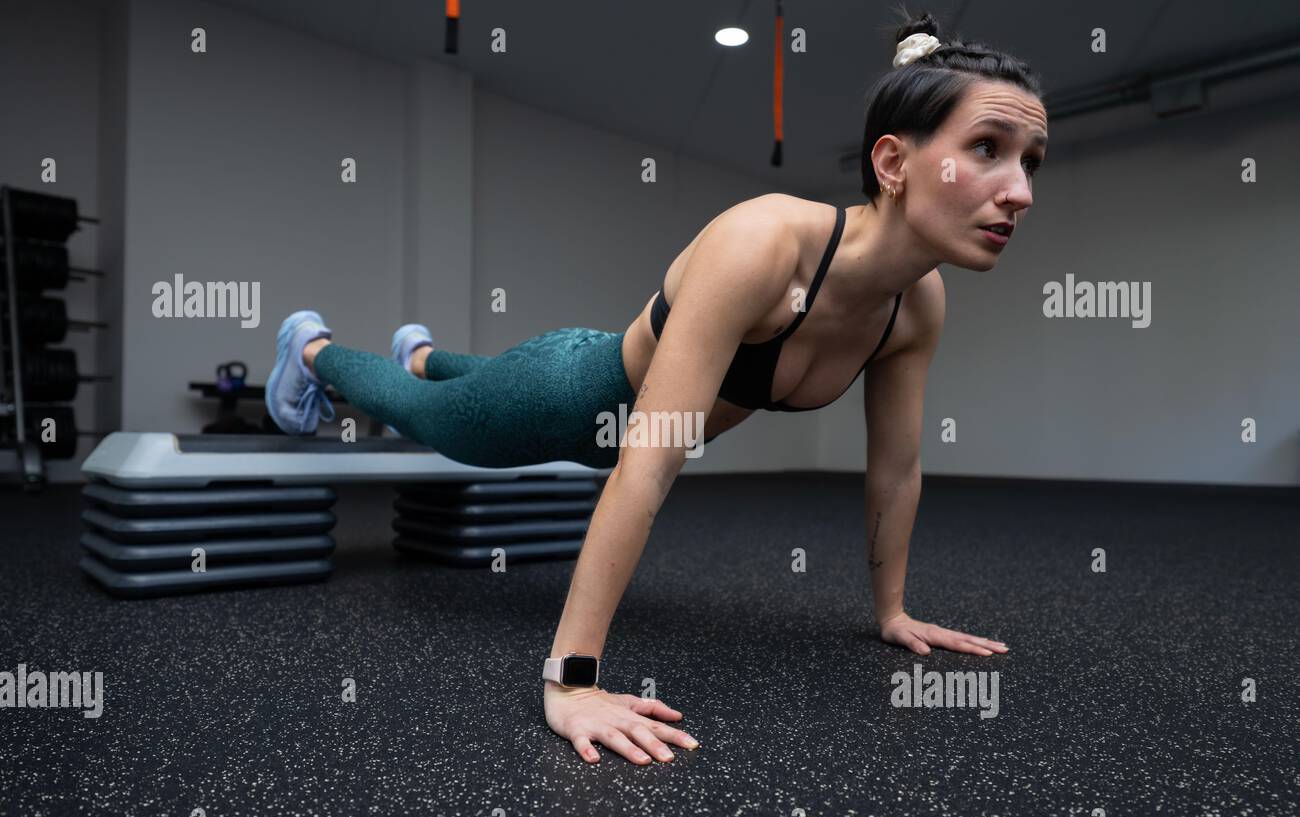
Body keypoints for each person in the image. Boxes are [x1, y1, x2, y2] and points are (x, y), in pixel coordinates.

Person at [264, 8, 1047, 766]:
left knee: (453, 384)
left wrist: (892, 612)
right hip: (565, 393)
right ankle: (313, 349)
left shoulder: (915, 306)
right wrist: (572, 683)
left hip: (605, 407)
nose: (1020, 192)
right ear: (892, 163)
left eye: (1030, 160)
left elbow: (896, 469)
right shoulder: (763, 243)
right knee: (433, 423)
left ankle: (426, 353)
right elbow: (647, 462)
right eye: (987, 148)